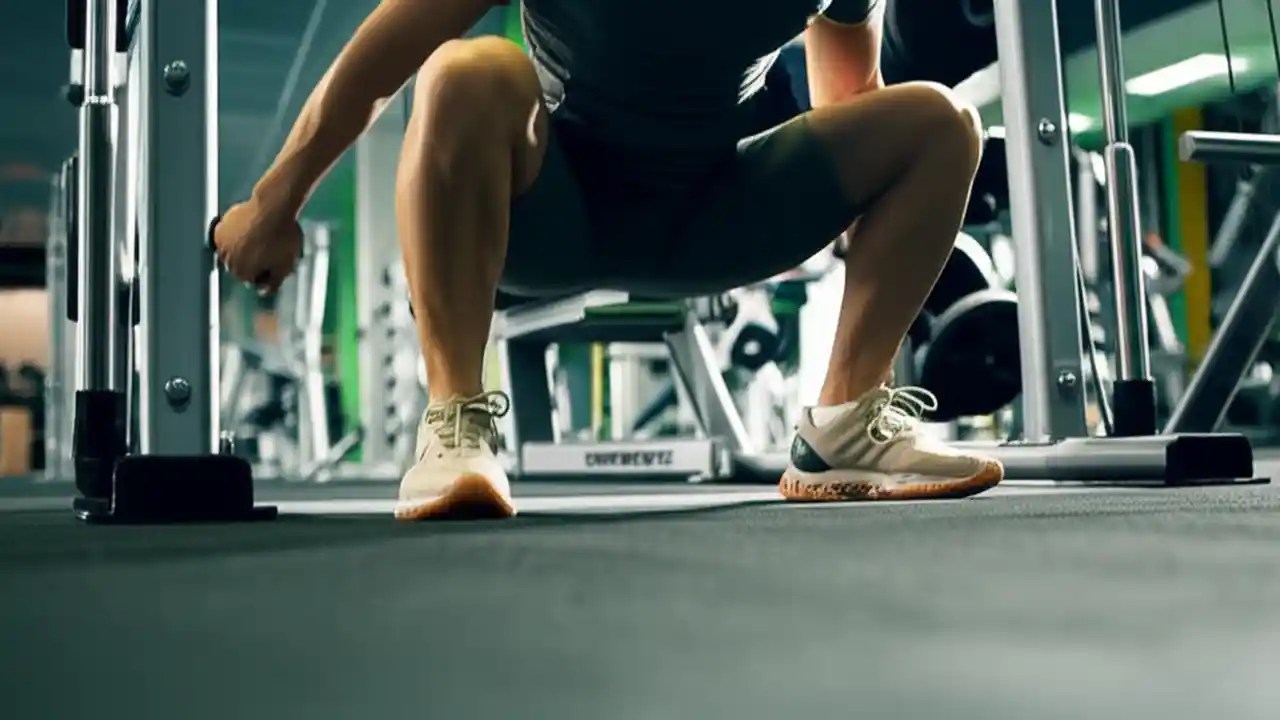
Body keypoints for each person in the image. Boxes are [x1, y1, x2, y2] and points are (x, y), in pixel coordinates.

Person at [212, 0, 1003, 521]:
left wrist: (869, 223)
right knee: (463, 69)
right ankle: (456, 423)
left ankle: (844, 425)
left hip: (710, 212)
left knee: (941, 122)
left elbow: (852, 94)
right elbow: (380, 64)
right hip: (553, 210)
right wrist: (273, 206)